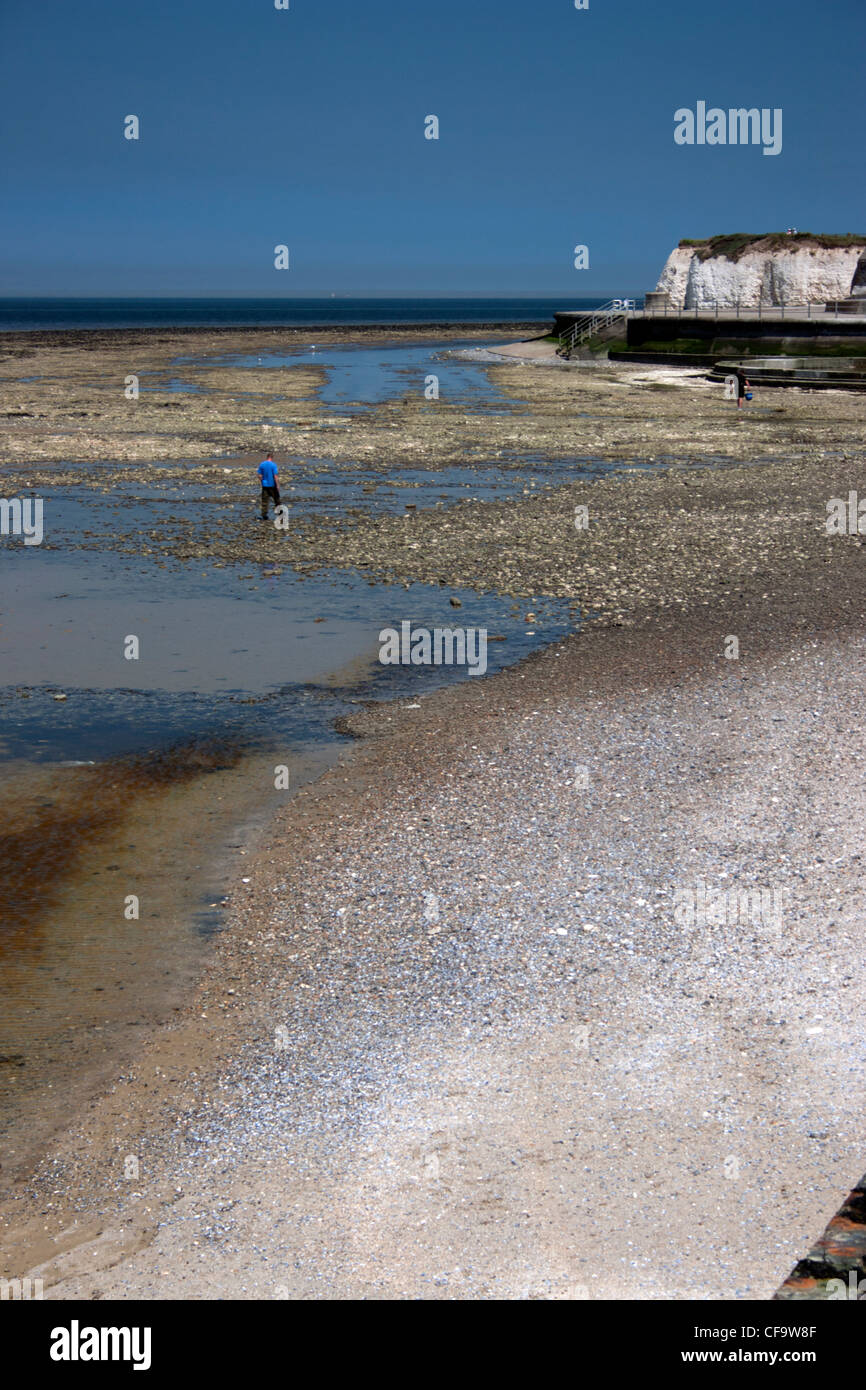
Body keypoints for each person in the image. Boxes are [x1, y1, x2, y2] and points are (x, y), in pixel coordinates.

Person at [257, 452, 280, 519]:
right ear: (272, 458)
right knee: (277, 500)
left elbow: (259, 476)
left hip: (265, 485)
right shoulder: (273, 465)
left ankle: (264, 514)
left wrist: (262, 482)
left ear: (267, 457)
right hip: (272, 485)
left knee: (264, 501)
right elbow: (275, 476)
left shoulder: (262, 464)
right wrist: (278, 485)